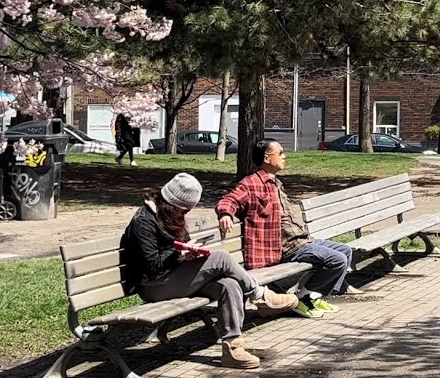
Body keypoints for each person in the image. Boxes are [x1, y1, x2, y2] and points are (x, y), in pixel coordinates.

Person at [121, 174, 297, 369]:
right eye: (184, 210)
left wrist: (189, 253)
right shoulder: (144, 221)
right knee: (221, 257)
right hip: (152, 285)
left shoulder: (170, 215)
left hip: (173, 278)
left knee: (228, 285)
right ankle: (260, 295)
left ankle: (232, 347)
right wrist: (178, 252)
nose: (185, 214)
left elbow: (177, 249)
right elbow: (153, 265)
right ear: (174, 204)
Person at [217, 140, 363, 319]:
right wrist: (226, 214)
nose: (284, 156)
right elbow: (229, 200)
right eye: (280, 153)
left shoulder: (276, 182)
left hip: (301, 240)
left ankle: (313, 297)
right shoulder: (251, 184)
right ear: (266, 158)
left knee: (346, 250)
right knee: (337, 260)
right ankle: (302, 299)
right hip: (285, 247)